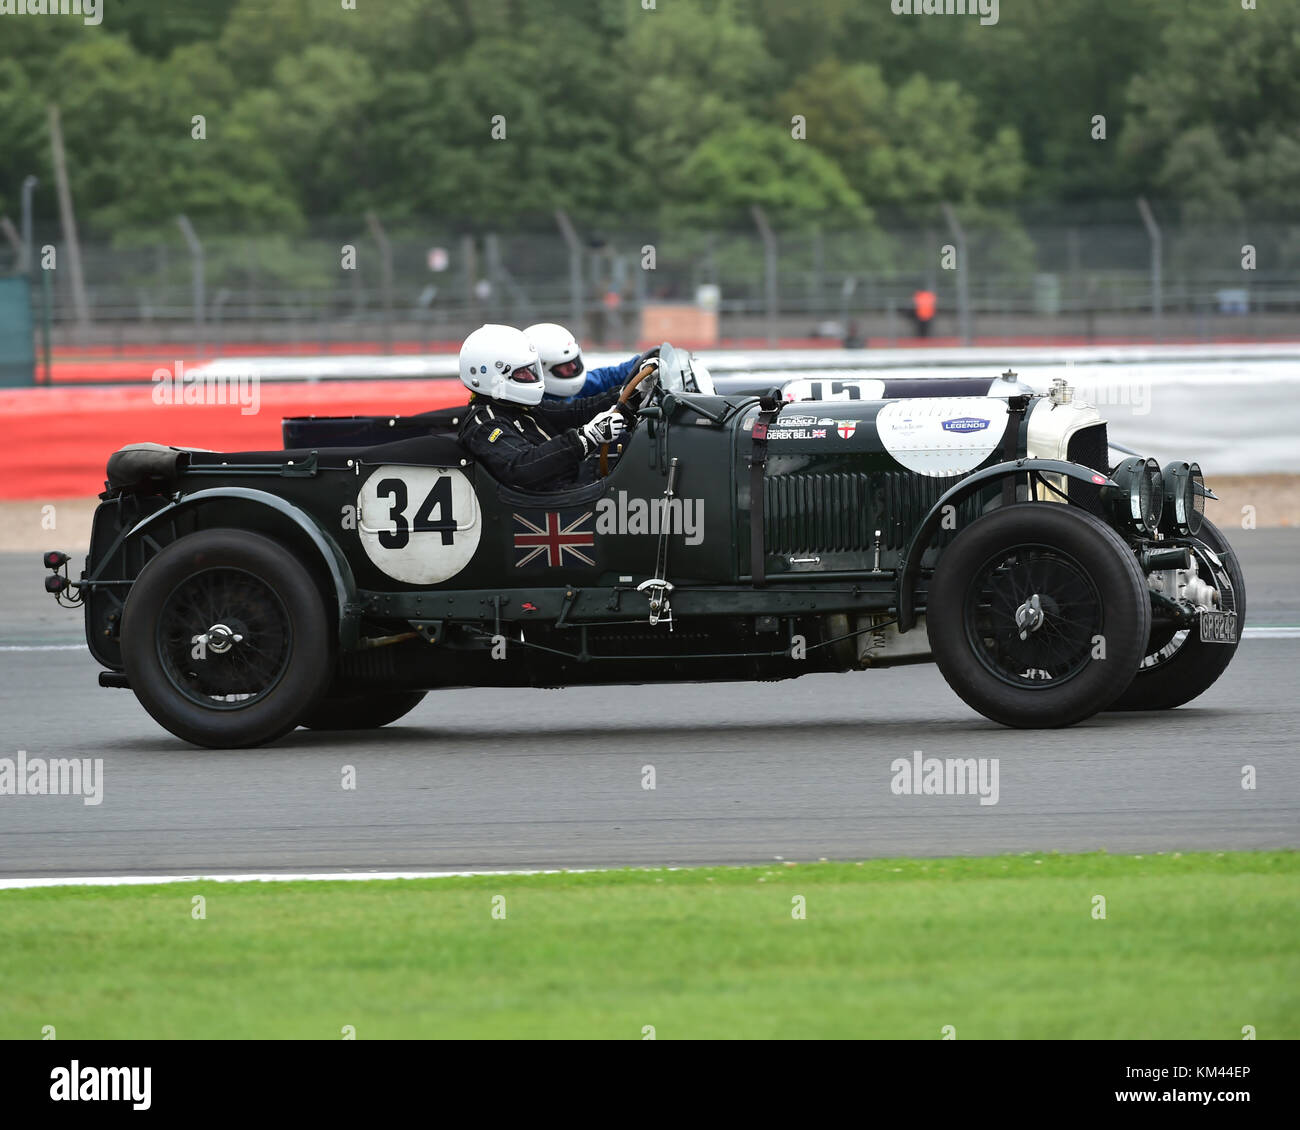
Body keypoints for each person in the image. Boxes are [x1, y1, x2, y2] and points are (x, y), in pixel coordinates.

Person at [457, 324, 632, 491]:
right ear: (491, 377)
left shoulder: (516, 406)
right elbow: (523, 467)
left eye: (531, 370)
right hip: (551, 503)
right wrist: (586, 438)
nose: (530, 376)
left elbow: (575, 411)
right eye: (522, 373)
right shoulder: (484, 424)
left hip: (570, 488)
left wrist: (627, 394)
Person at [525, 322, 658, 402]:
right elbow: (578, 410)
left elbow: (605, 378)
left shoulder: (571, 389)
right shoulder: (542, 407)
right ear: (539, 370)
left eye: (574, 361)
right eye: (564, 366)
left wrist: (642, 362)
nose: (572, 367)